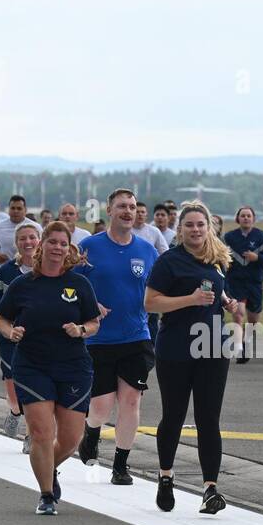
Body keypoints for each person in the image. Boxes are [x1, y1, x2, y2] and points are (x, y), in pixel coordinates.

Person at [0, 222, 101, 515]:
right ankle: (46, 495)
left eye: (63, 244)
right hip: (32, 365)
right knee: (41, 433)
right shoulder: (23, 284)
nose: (57, 248)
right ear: (42, 245)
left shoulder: (80, 284)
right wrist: (9, 332)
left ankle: (48, 468)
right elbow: (2, 318)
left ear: (69, 249)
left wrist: (81, 329)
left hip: (73, 367)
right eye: (52, 242)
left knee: (70, 439)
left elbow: (94, 322)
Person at [145, 201, 243, 513]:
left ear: (209, 227)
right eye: (190, 225)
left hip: (213, 347)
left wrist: (226, 301)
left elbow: (215, 288)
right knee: (174, 416)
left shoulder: (216, 259)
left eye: (201, 224)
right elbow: (150, 303)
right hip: (175, 349)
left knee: (208, 419)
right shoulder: (168, 262)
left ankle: (210, 489)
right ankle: (165, 476)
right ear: (180, 229)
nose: (196, 230)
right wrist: (190, 299)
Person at [74, 189, 160, 483]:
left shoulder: (148, 251)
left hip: (136, 337)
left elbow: (158, 290)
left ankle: (121, 466)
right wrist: (90, 305)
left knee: (131, 401)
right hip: (98, 340)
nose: (128, 211)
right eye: (121, 206)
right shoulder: (88, 248)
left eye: (132, 207)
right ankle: (91, 433)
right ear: (109, 211)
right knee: (100, 407)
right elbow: (70, 288)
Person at [0, 222, 40, 442]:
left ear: (39, 240)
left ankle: (31, 436)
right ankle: (15, 413)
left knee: (35, 389)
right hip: (10, 339)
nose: (28, 242)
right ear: (16, 243)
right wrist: (11, 321)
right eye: (22, 239)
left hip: (39, 340)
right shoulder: (6, 271)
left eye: (32, 237)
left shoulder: (49, 269)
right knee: (15, 392)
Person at [222, 205, 263, 363]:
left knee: (253, 318)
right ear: (237, 219)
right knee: (238, 313)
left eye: (248, 216)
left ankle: (247, 342)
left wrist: (257, 258)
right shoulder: (229, 238)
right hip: (236, 281)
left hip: (255, 282)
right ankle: (239, 348)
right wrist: (227, 262)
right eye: (243, 215)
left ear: (254, 219)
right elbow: (220, 255)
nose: (245, 218)